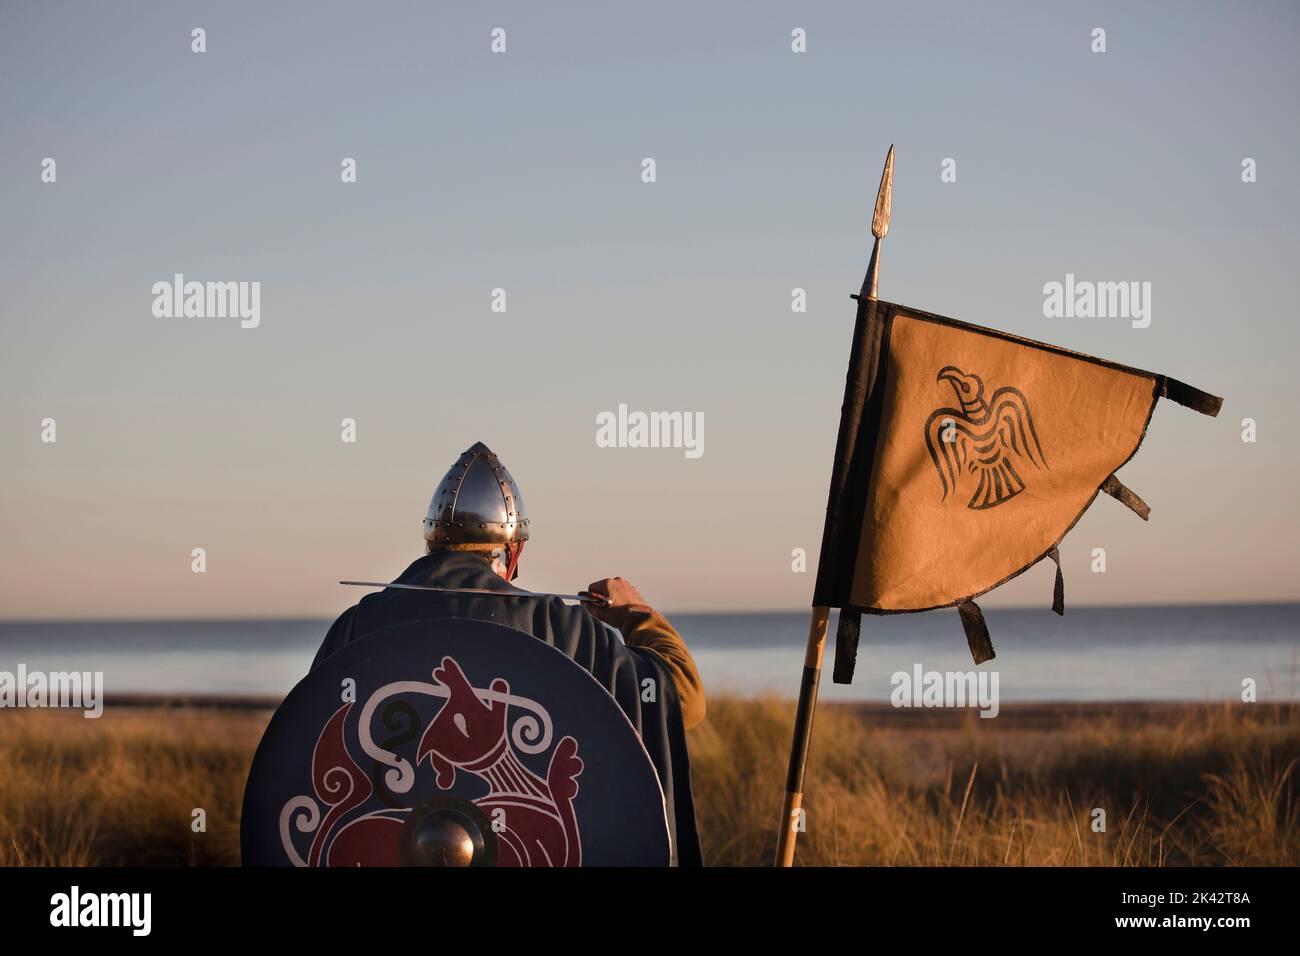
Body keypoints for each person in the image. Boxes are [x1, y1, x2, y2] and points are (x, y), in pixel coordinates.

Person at [311, 441, 705, 865]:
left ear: (432, 547)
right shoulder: (561, 628)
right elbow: (680, 699)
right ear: (513, 553)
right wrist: (634, 614)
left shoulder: (354, 630)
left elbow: (317, 758)